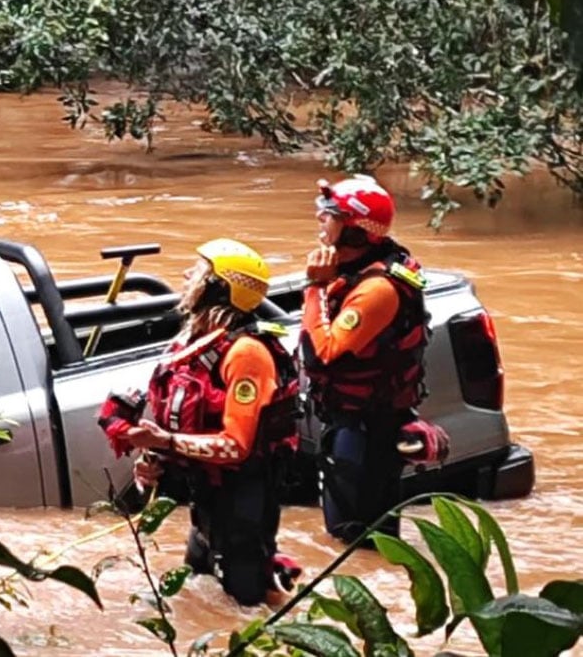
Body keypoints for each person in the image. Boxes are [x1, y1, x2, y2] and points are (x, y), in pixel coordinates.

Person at [98, 238, 303, 606]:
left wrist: (167, 443)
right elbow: (178, 422)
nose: (186, 275)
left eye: (197, 271)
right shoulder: (193, 342)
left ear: (218, 287)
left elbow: (235, 445)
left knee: (247, 605)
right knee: (201, 598)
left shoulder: (247, 353)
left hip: (242, 504)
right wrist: (154, 459)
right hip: (207, 503)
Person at [299, 174, 445, 547]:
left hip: (365, 430)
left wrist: (314, 288)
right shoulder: (359, 271)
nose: (320, 219)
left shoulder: (377, 288)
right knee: (352, 533)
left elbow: (321, 357)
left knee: (355, 539)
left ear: (355, 231)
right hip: (352, 423)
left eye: (330, 214)